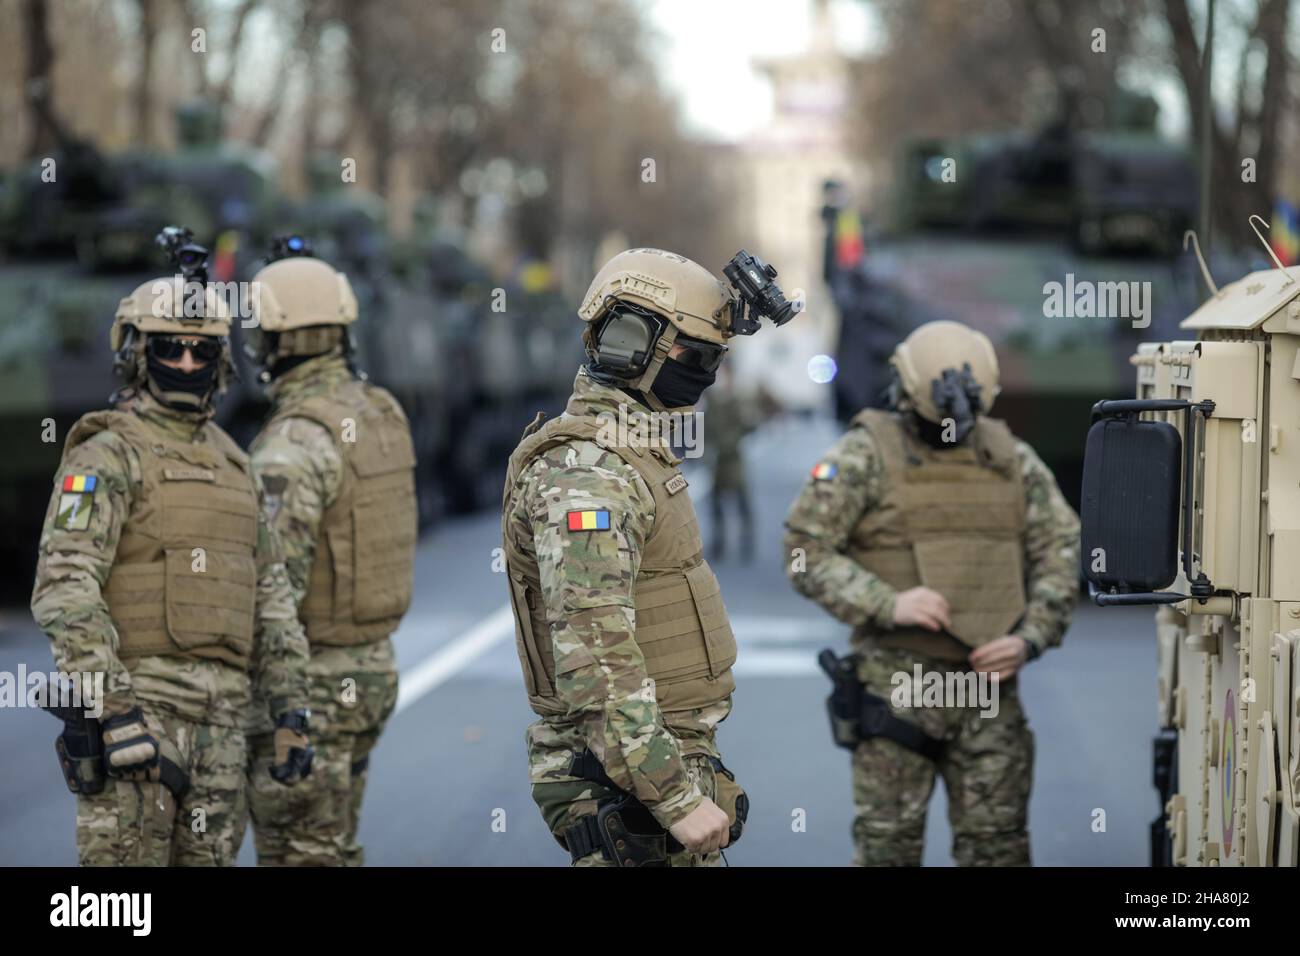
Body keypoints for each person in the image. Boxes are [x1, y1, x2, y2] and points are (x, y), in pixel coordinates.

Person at [31, 246, 313, 866]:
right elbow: (64, 584)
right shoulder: (106, 454)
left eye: (202, 351)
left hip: (226, 729)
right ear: (137, 355)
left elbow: (269, 597)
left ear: (219, 363)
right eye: (169, 349)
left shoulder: (235, 464)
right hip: (140, 722)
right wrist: (113, 709)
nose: (186, 362)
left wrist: (290, 707)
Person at [784, 319, 1079, 866]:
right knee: (887, 852)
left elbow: (1060, 547)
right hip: (896, 694)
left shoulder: (1010, 457)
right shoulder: (863, 456)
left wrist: (1032, 637)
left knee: (998, 850)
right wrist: (886, 602)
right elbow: (805, 551)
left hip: (988, 695)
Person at [500, 248, 756, 866]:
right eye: (695, 357)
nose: (705, 376)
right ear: (630, 345)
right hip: (628, 785)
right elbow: (595, 655)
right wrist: (674, 797)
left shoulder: (626, 454)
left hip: (648, 768)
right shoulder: (589, 473)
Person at [242, 241, 416, 866]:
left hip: (311, 686)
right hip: (371, 671)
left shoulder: (292, 442)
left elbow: (270, 593)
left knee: (299, 854)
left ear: (275, 342)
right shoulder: (382, 413)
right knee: (333, 846)